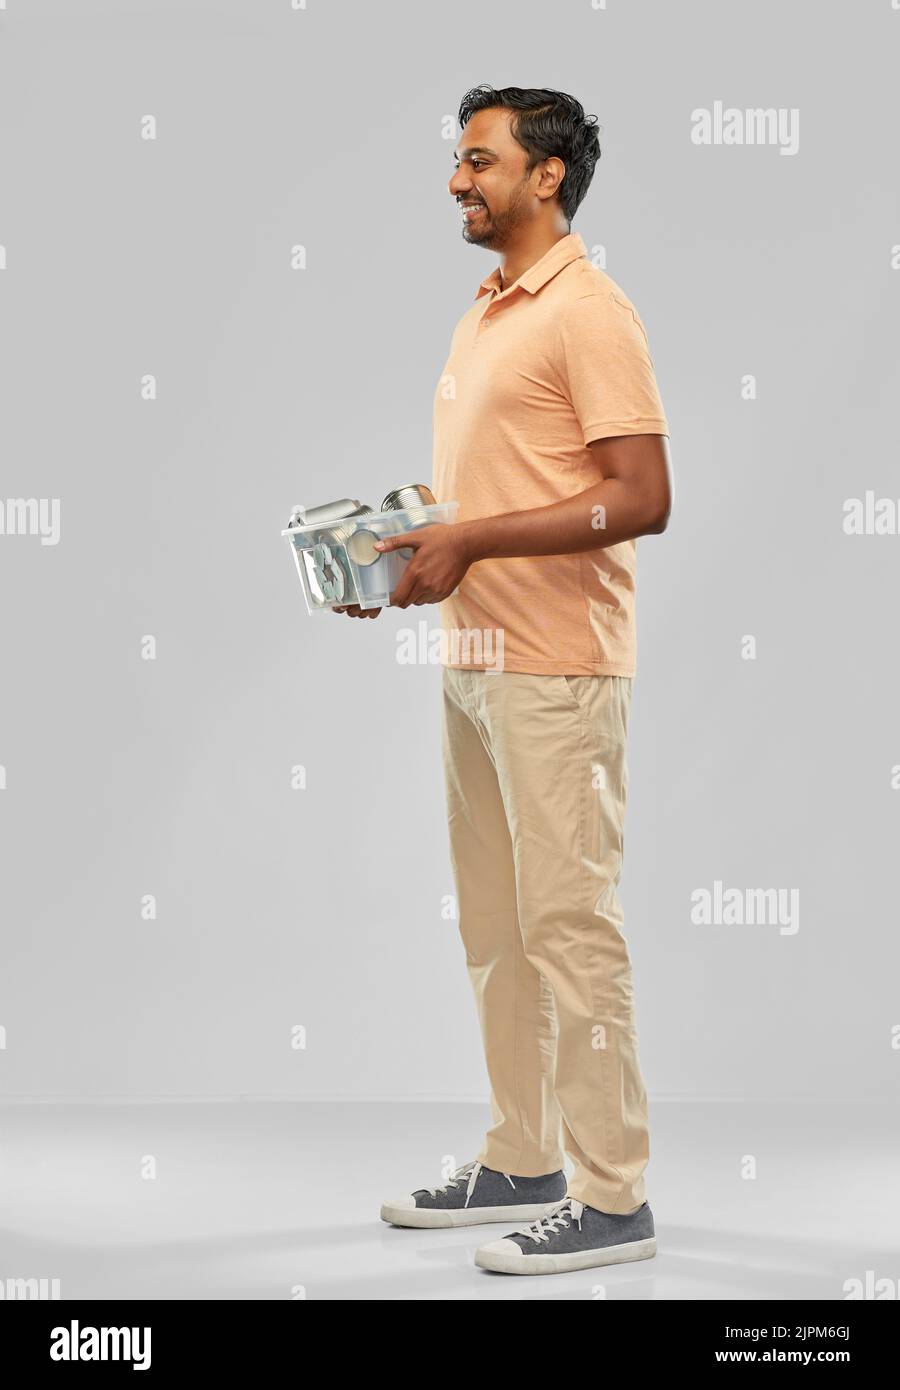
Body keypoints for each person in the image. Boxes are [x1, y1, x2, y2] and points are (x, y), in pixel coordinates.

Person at [338, 84, 672, 1277]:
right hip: (474, 660)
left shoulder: (589, 309)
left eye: (478, 160)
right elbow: (493, 495)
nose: (455, 180)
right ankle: (525, 1157)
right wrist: (403, 549)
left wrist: (473, 543)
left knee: (569, 927)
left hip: (559, 668)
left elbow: (641, 498)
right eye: (456, 159)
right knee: (496, 928)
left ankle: (613, 1195)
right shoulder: (487, 310)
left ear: (547, 177)